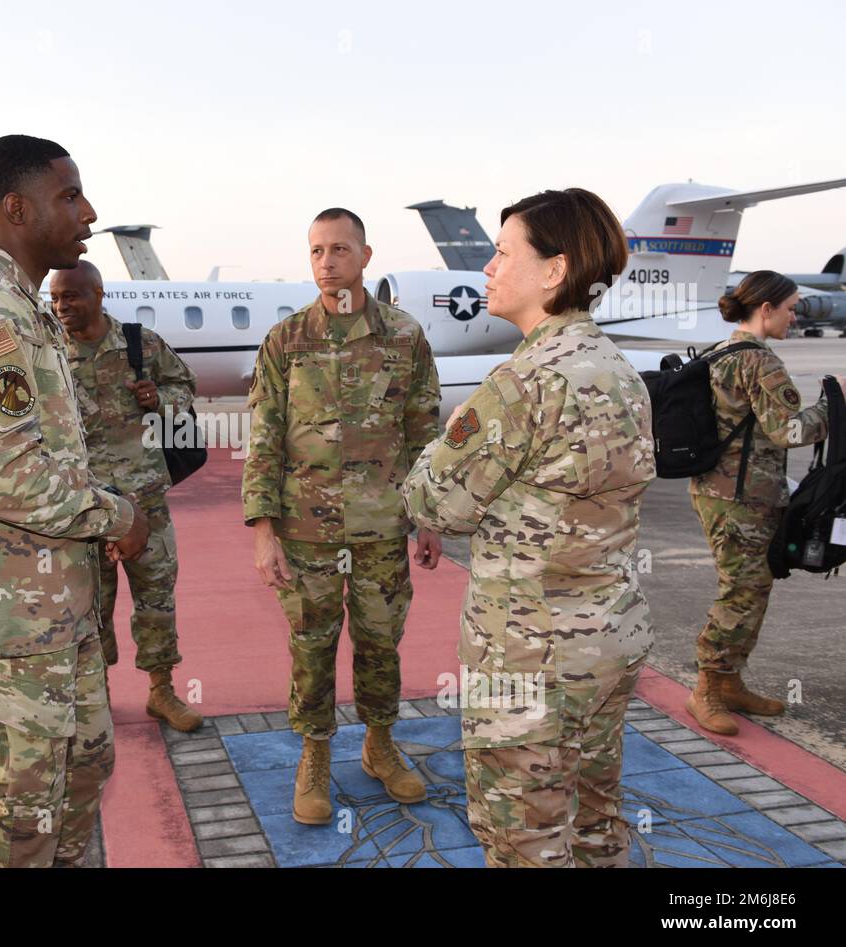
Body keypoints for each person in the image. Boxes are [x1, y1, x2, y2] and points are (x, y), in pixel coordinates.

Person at [0, 135, 149, 868]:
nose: (89, 211)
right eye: (70, 196)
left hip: (52, 610)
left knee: (78, 779)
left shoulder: (22, 307)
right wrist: (118, 514)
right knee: (13, 826)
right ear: (17, 208)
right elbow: (5, 476)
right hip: (7, 621)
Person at [402, 188, 656, 867]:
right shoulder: (620, 371)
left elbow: (436, 502)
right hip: (607, 639)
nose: (487, 267)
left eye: (503, 251)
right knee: (596, 823)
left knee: (523, 841)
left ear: (554, 270)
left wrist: (430, 451)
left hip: (529, 659)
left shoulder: (523, 383)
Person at [242, 208, 443, 826]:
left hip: (384, 525)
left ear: (365, 255)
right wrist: (263, 531)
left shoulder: (405, 337)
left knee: (382, 642)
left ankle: (380, 747)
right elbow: (265, 437)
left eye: (339, 250)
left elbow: (423, 431)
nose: (327, 263)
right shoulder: (287, 340)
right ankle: (315, 758)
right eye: (316, 252)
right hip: (306, 530)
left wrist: (429, 516)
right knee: (311, 645)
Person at [50, 260, 204, 732]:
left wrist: (160, 399)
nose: (62, 307)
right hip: (85, 507)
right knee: (89, 606)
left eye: (70, 296)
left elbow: (186, 386)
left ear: (97, 294)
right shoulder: (49, 352)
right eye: (55, 299)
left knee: (156, 598)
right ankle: (97, 696)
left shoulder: (140, 344)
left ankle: (161, 691)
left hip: (145, 501)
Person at [685, 270, 839, 735]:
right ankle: (706, 689)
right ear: (766, 308)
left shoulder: (720, 351)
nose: (796, 316)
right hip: (741, 497)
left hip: (725, 491)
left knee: (753, 587)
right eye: (791, 308)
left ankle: (728, 680)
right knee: (741, 592)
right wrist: (836, 403)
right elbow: (789, 430)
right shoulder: (759, 362)